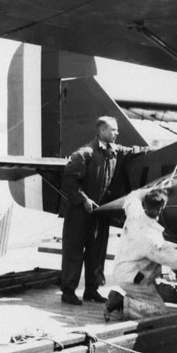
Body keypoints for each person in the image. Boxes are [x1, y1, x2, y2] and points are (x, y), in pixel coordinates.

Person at [59, 116, 148, 305]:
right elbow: (68, 180)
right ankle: (68, 292)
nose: (117, 133)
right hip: (79, 211)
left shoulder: (115, 151)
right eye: (113, 130)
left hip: (99, 212)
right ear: (101, 131)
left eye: (116, 130)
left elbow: (135, 150)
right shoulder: (84, 154)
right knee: (74, 251)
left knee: (96, 252)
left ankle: (91, 290)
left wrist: (153, 150)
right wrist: (84, 200)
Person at [105, 187, 177, 318]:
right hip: (134, 278)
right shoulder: (151, 238)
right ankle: (120, 302)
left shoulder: (135, 212)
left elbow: (133, 196)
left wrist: (155, 189)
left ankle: (124, 300)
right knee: (158, 311)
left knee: (152, 301)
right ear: (160, 209)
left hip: (122, 269)